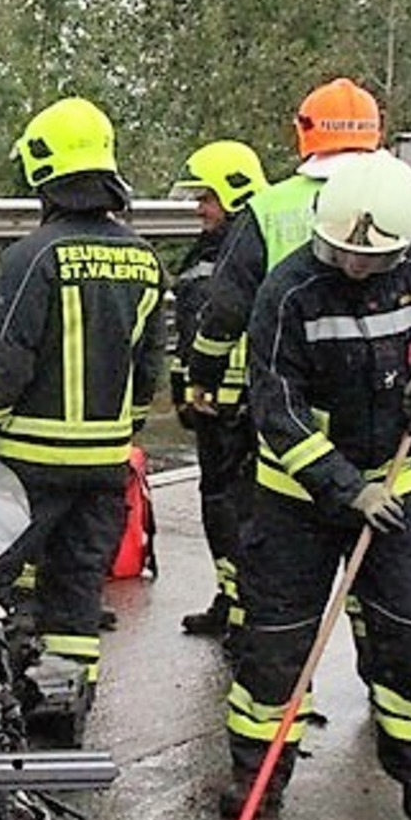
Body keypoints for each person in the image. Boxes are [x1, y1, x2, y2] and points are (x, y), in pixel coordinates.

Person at [225, 149, 411, 820]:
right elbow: (277, 409)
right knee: (275, 641)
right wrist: (345, 488)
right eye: (341, 251)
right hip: (297, 498)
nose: (352, 265)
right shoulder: (289, 291)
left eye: (370, 258)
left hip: (402, 486)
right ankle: (258, 776)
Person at [0, 97, 164, 742]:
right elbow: (148, 366)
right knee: (76, 594)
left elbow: (4, 362)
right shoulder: (144, 258)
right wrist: (119, 430)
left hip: (28, 465)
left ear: (43, 171)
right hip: (104, 465)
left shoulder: (33, 256)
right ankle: (64, 716)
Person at [187, 78, 384, 410]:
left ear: (305, 131)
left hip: (289, 387)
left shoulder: (268, 208)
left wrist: (204, 373)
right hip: (381, 384)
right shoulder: (405, 204)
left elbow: (228, 307)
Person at [166, 140, 270, 638]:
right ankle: (230, 597)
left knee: (237, 508)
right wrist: (182, 383)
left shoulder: (245, 249)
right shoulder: (214, 248)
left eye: (206, 198)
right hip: (213, 404)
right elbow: (193, 328)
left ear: (234, 194)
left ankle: (246, 608)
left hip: (235, 408)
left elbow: (228, 324)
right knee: (219, 504)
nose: (200, 209)